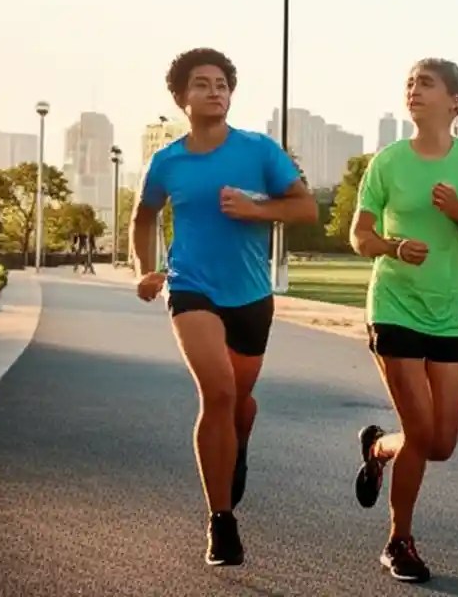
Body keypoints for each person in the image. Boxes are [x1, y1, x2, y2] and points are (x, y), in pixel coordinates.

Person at [131, 48, 318, 565]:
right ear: (181, 97)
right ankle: (221, 521)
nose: (214, 91)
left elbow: (305, 207)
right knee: (217, 392)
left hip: (252, 295)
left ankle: (237, 443)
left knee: (238, 402)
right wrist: (143, 268)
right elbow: (143, 218)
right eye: (201, 84)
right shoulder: (167, 161)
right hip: (190, 287)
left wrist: (256, 208)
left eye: (222, 84)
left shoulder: (259, 150)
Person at [351, 58, 458, 584]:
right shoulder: (388, 162)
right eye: (410, 83)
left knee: (439, 444)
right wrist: (392, 246)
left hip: (446, 317)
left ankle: (377, 448)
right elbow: (358, 237)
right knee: (420, 431)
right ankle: (399, 541)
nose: (414, 90)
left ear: (455, 101)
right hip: (393, 307)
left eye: (426, 83)